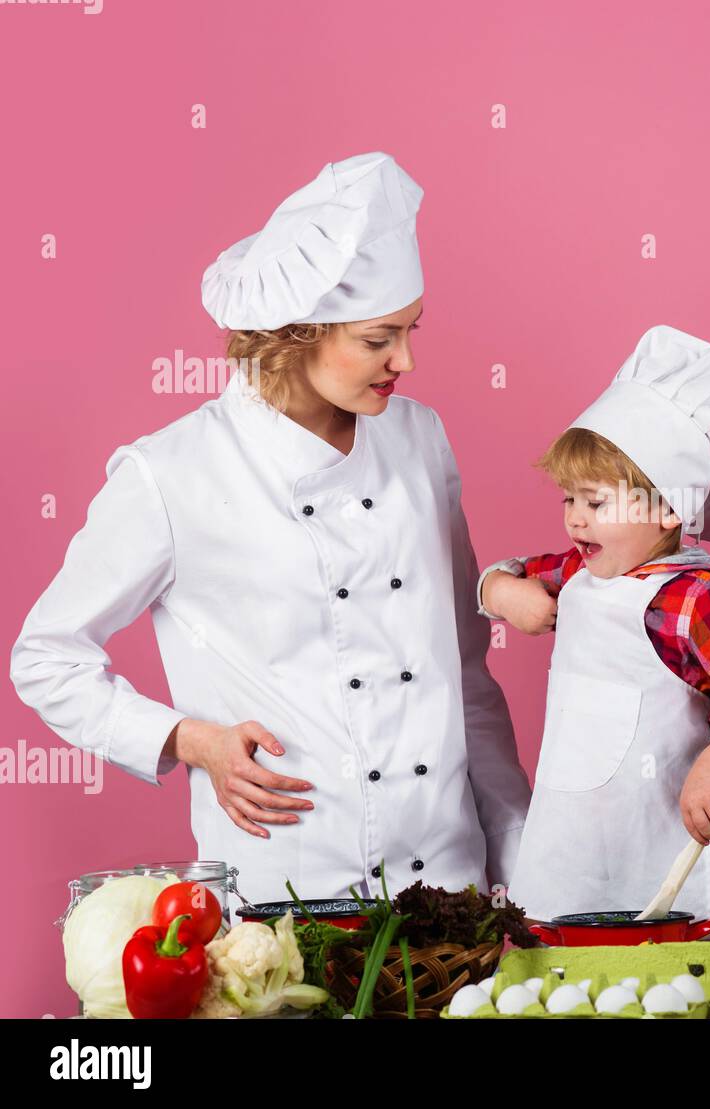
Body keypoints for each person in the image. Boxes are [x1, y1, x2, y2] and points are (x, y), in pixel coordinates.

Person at [11, 152, 532, 905]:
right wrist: (192, 742)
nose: (407, 360)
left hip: (452, 892)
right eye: (379, 338)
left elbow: (465, 670)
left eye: (411, 330)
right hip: (288, 897)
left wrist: (518, 857)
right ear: (297, 331)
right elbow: (45, 656)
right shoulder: (173, 473)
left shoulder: (421, 439)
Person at [478, 325, 710, 937]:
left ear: (668, 508)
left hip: (657, 852)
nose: (575, 518)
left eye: (596, 503)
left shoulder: (693, 595)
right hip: (564, 851)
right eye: (568, 500)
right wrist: (502, 593)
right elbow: (502, 573)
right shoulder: (580, 570)